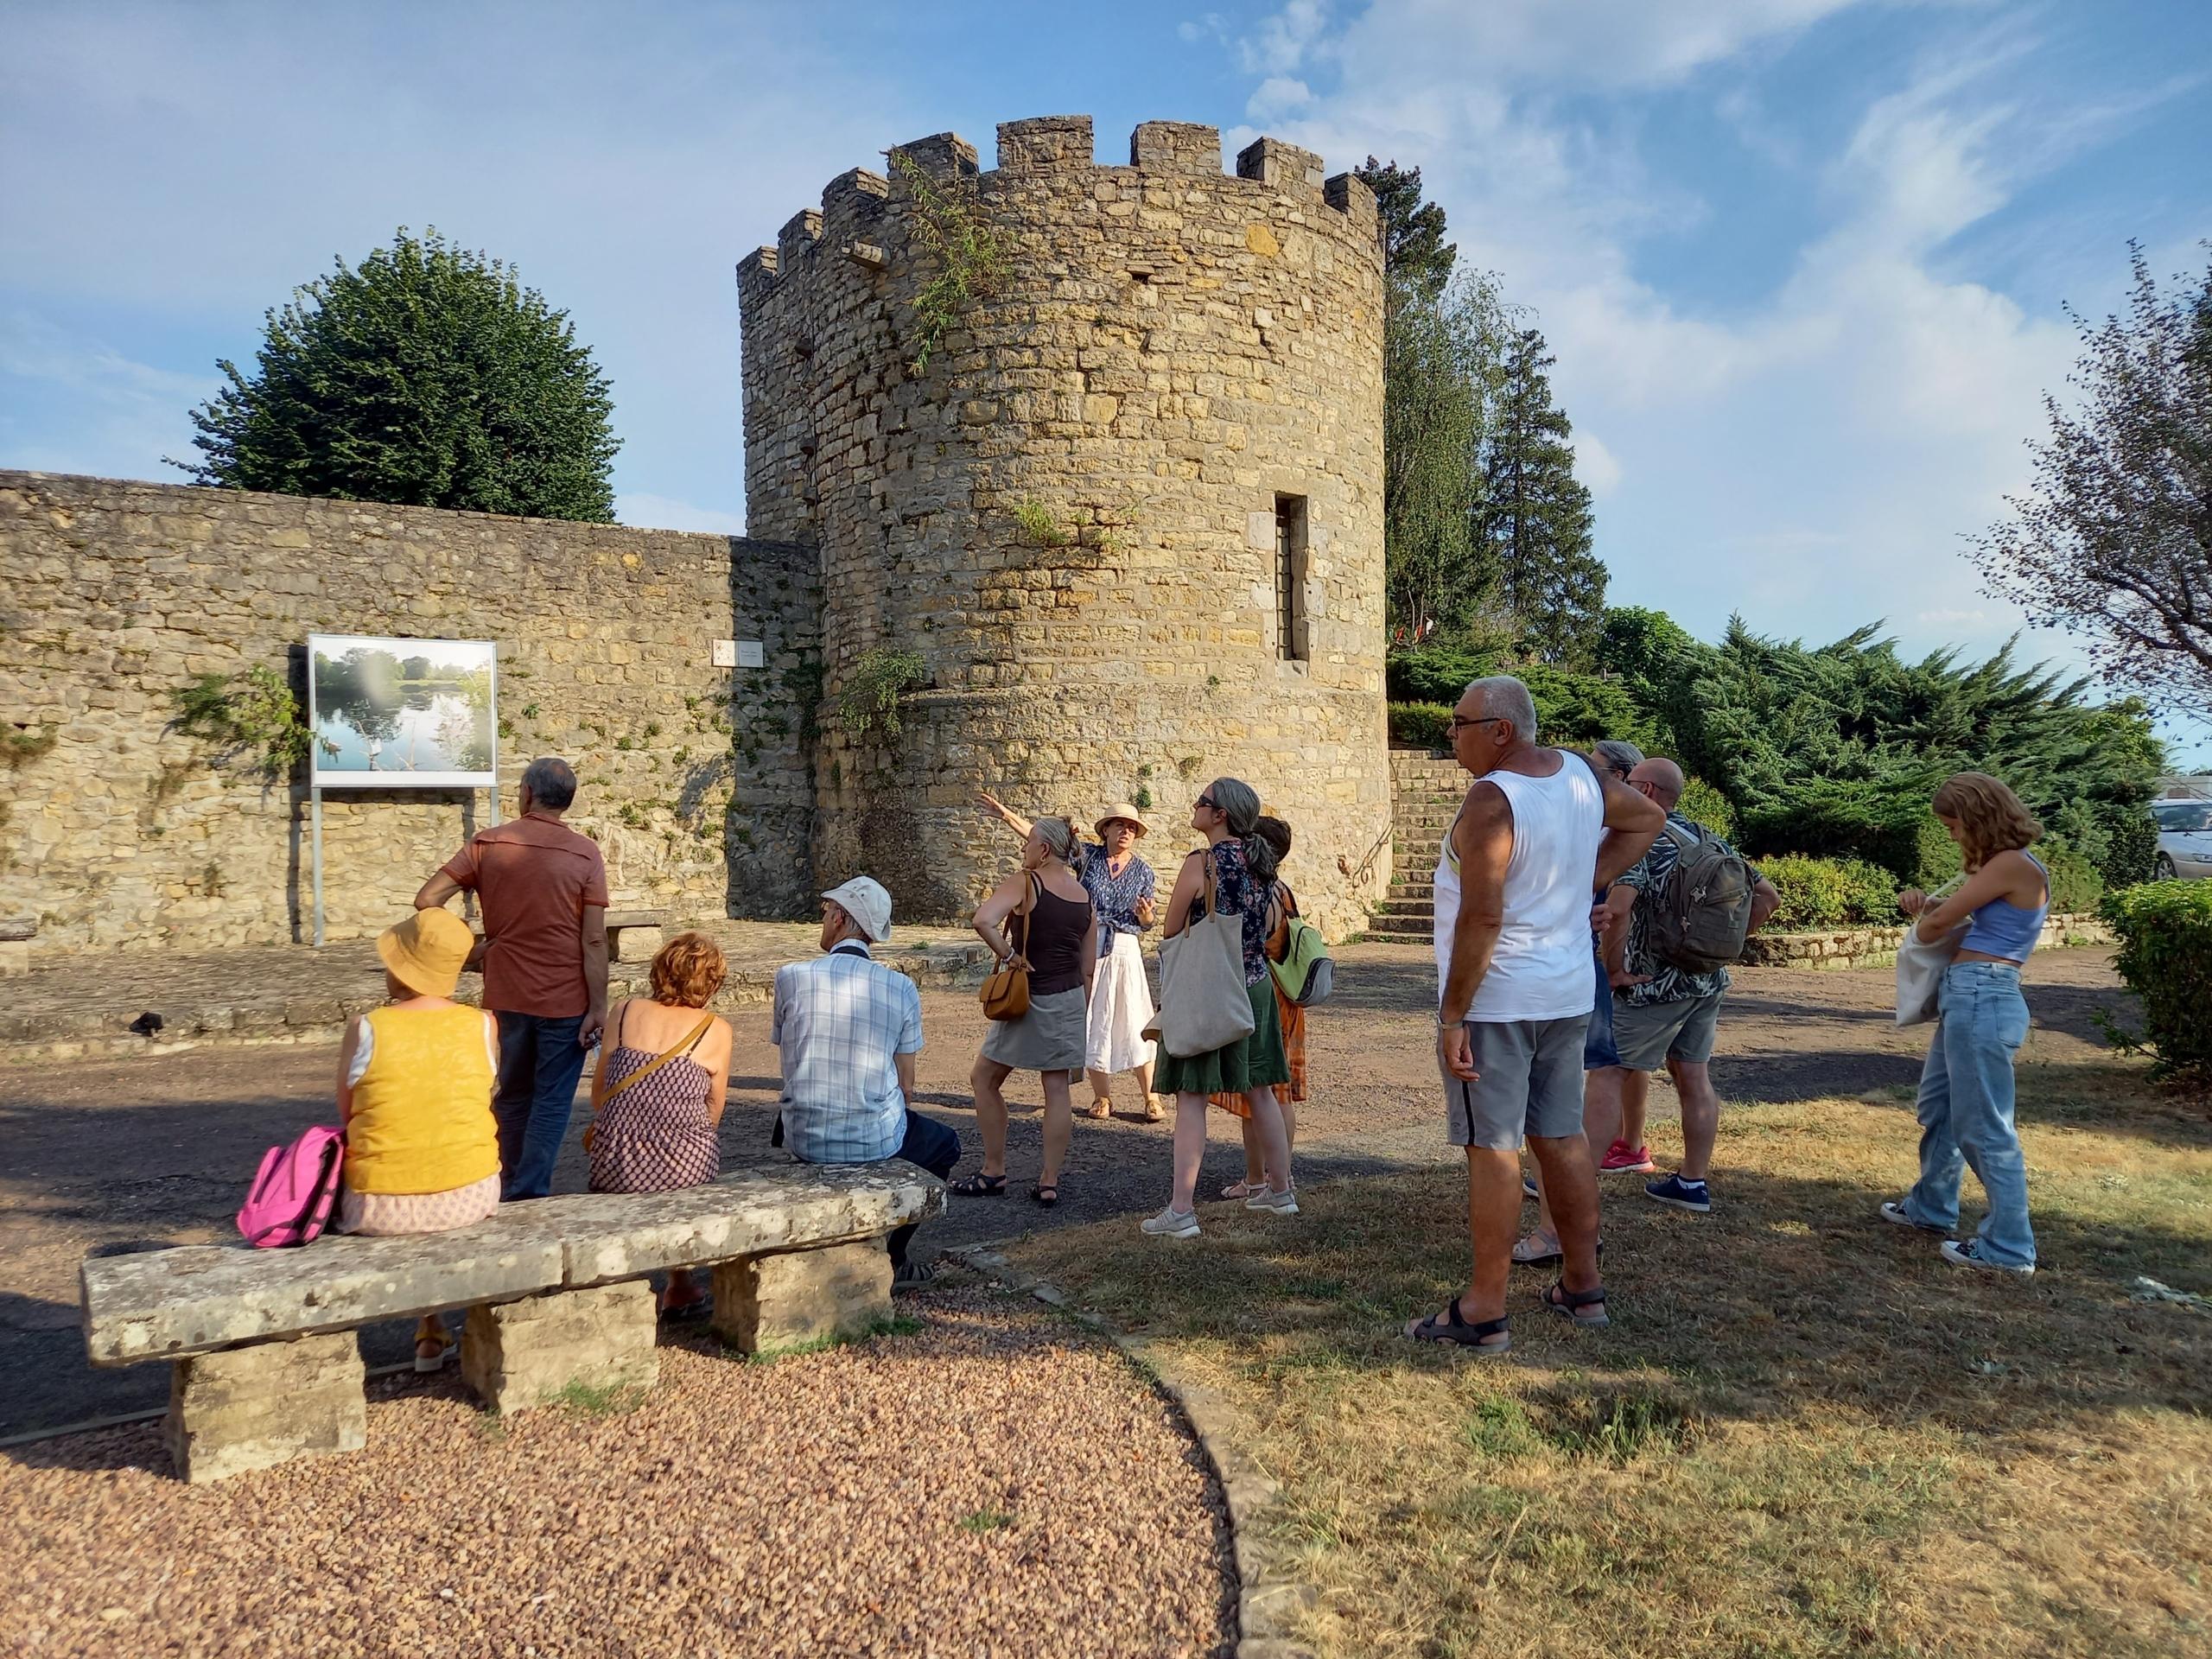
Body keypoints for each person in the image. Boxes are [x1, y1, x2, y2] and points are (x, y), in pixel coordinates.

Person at [1407, 677, 1664, 1353]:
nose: (1451, 734)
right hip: (1567, 991)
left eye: (1459, 722)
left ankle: (1484, 1309)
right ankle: (1583, 1286)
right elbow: (1647, 818)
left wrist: (1452, 1015)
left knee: (1492, 1146)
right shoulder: (1580, 775)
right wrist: (1586, 881)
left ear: (1500, 730)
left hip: (1498, 1000)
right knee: (1561, 1136)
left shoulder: (1493, 797)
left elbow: (1483, 916)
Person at [415, 756, 607, 1201]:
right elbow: (594, 940)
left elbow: (427, 899)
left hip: (507, 991)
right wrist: (599, 1007)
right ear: (568, 801)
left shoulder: (487, 845)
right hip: (566, 997)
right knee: (552, 1099)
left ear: (526, 794)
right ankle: (530, 1189)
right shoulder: (585, 854)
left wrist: (469, 949)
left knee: (513, 1092)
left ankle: (501, 1182)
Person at [1593, 758, 1780, 1217]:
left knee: (1607, 1073)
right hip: (1706, 980)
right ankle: (1692, 1183)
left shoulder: (1642, 838)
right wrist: (1717, 948)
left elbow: (1619, 908)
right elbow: (1767, 897)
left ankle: (1570, 1178)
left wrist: (1615, 970)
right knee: (1694, 1077)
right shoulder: (1707, 837)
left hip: (1651, 984)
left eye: (1629, 782)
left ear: (1647, 792)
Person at [1882, 772, 2049, 1274]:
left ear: (1978, 818)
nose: (1953, 836)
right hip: (1974, 995)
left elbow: (1939, 925)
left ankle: (2009, 1247)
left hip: (1983, 994)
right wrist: (1928, 906)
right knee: (1941, 1107)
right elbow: (1967, 916)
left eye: (1954, 826)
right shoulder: (2010, 865)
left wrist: (1925, 924)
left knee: (1984, 1125)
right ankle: (1931, 1207)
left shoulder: (2010, 863)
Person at [334, 907, 502, 1370]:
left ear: (400, 969)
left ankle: (429, 1328)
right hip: (468, 1193)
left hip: (379, 1203)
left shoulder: (367, 1027)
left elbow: (349, 1115)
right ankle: (439, 1327)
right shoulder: (483, 1025)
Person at [771, 877, 959, 1287]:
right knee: (945, 1144)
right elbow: (906, 1085)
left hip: (803, 1134)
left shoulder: (790, 977)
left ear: (840, 918)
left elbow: (791, 1055)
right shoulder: (901, 987)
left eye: (826, 913)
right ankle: (895, 1256)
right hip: (873, 1140)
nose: (824, 920)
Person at [1142, 779, 1298, 1238]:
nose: (1196, 805)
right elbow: (1269, 925)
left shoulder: (1202, 863)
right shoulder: (1262, 864)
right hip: (1255, 987)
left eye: (1202, 801)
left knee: (1192, 1096)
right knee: (1262, 1091)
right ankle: (1281, 1190)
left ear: (1220, 815)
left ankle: (1181, 1210)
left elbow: (1171, 930)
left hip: (1209, 988)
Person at [1516, 737, 1643, 1265]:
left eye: (1596, 772)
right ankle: (1573, 1238)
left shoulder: (1584, 824)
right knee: (1563, 1112)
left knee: (1548, 1116)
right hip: (1576, 973)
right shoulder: (1593, 827)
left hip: (1554, 977)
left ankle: (1556, 1231)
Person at [978, 792, 1160, 1121]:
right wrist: (1006, 815)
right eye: (1120, 825)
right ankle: (1102, 1096)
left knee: (1134, 1019)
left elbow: (1148, 922)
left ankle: (1151, 1096)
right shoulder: (1088, 857)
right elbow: (1046, 840)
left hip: (1124, 948)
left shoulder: (1143, 871)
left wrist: (1146, 917)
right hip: (1090, 943)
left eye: (1132, 827)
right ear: (1106, 830)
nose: (1126, 831)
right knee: (1095, 1020)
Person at [585, 931, 735, 1319]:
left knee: (633, 1144)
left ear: (660, 971)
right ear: (712, 983)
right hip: (685, 1165)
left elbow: (599, 1096)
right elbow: (713, 1111)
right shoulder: (716, 1029)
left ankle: (638, 1282)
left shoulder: (624, 1012)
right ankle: (680, 1283)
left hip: (618, 1161)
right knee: (691, 1148)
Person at [953, 817, 1098, 1206]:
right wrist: (1079, 1008)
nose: (1024, 847)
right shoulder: (1084, 896)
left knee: (985, 1078)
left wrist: (1011, 956)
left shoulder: (1025, 882)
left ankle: (993, 1170)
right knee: (1057, 1089)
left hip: (1027, 997)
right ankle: (1049, 1181)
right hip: (1069, 997)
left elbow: (983, 920)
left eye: (1029, 841)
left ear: (1044, 849)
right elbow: (1088, 966)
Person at [1210, 815, 1305, 1198]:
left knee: (1257, 1091)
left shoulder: (1260, 890)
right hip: (1287, 997)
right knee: (1279, 1093)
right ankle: (1283, 1174)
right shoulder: (1284, 890)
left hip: (1262, 993)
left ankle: (1256, 1178)